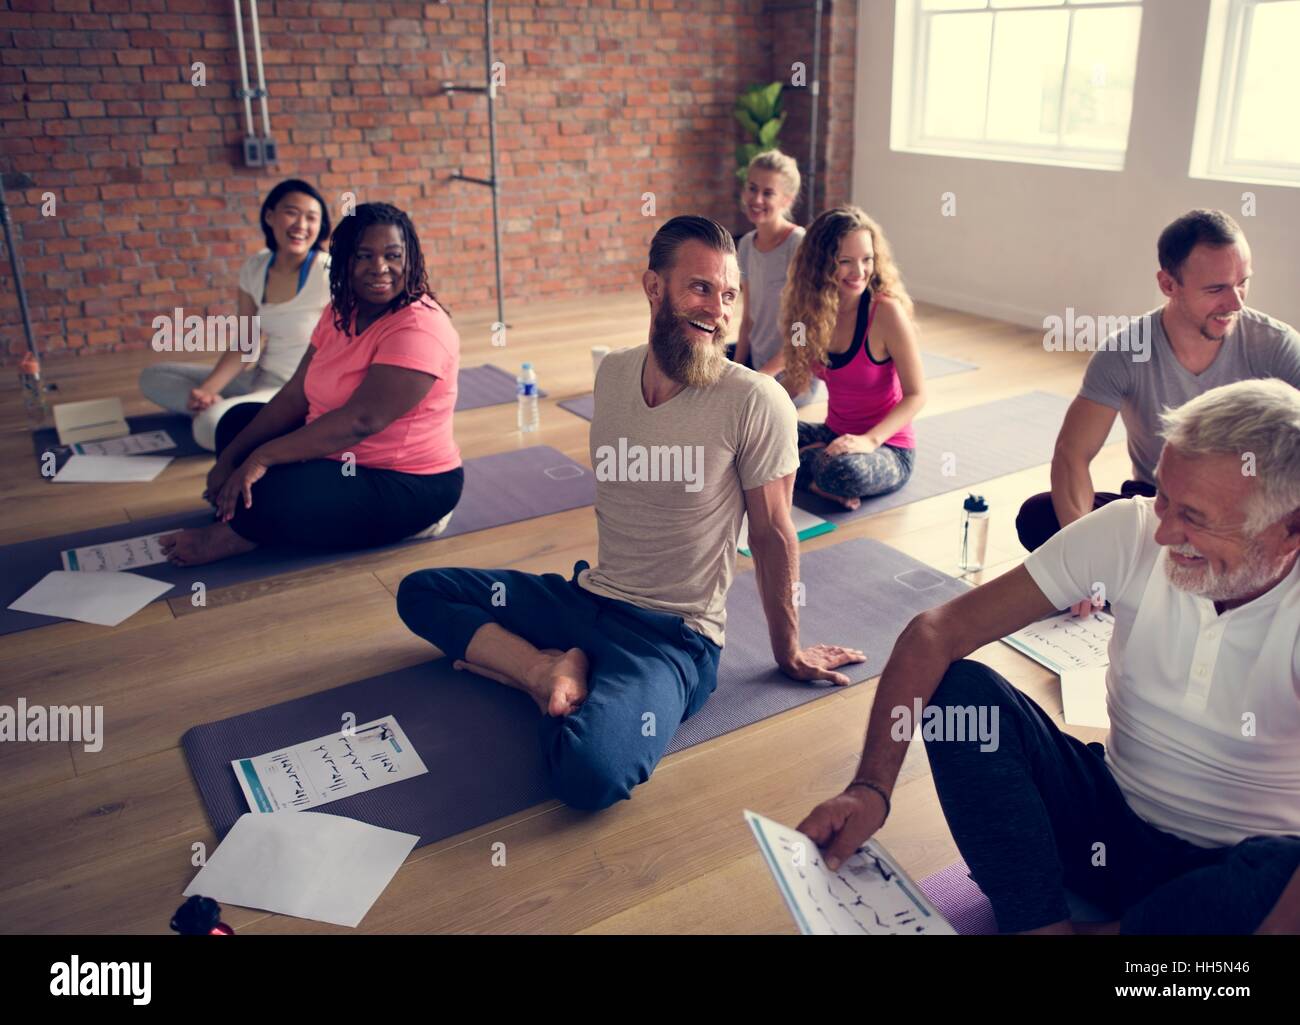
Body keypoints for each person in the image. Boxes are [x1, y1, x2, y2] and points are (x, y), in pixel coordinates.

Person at [797, 378, 1300, 935]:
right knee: (964, 697)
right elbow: (937, 632)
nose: (1163, 532)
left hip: (1232, 879)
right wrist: (870, 789)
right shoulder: (1130, 530)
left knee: (1280, 875)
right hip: (1108, 832)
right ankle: (1040, 926)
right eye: (1164, 499)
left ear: (1289, 530)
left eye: (1194, 518)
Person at [395, 215, 865, 811]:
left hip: (669, 639)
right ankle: (546, 673)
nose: (718, 310)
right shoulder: (613, 374)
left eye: (729, 295)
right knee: (421, 591)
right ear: (653, 288)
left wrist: (788, 653)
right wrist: (538, 670)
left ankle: (546, 673)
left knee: (588, 776)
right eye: (700, 288)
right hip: (586, 599)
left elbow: (773, 534)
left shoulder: (754, 401)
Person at [158, 202, 463, 565]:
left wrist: (261, 457)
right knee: (235, 424)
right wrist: (231, 457)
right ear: (344, 262)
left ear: (410, 259)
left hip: (404, 481)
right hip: (331, 454)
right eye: (364, 256)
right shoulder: (339, 311)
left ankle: (238, 534)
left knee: (280, 486)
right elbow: (294, 394)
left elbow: (361, 421)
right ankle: (259, 518)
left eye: (393, 255)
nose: (380, 268)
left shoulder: (419, 327)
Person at [1016, 209, 1300, 561]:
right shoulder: (1125, 352)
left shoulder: (1276, 344)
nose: (1236, 302)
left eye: (1243, 282)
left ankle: (1174, 569)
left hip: (1250, 512)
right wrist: (1081, 557)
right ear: (1168, 285)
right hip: (1163, 507)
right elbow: (1072, 454)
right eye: (1217, 289)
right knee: (1039, 516)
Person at [139, 179, 333, 450]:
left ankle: (235, 417)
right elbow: (245, 345)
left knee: (207, 427)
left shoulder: (327, 272)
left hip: (293, 392)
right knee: (154, 376)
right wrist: (208, 390)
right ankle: (228, 413)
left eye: (312, 218)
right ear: (270, 216)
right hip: (259, 379)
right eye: (292, 212)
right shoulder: (255, 268)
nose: (301, 225)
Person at [778, 206, 925, 511]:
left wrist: (869, 441)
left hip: (886, 447)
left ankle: (814, 469)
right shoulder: (807, 312)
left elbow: (917, 395)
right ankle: (816, 462)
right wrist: (755, 405)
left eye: (867, 259)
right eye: (845, 261)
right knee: (763, 434)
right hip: (834, 434)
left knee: (844, 472)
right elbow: (796, 380)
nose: (859, 272)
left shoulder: (886, 313)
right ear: (820, 264)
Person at [732, 150, 821, 407]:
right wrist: (737, 370)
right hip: (758, 361)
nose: (756, 199)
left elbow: (805, 330)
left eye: (768, 193)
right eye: (752, 188)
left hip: (793, 372)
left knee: (747, 412)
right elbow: (748, 319)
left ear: (787, 200)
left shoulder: (799, 244)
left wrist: (762, 377)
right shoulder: (747, 244)